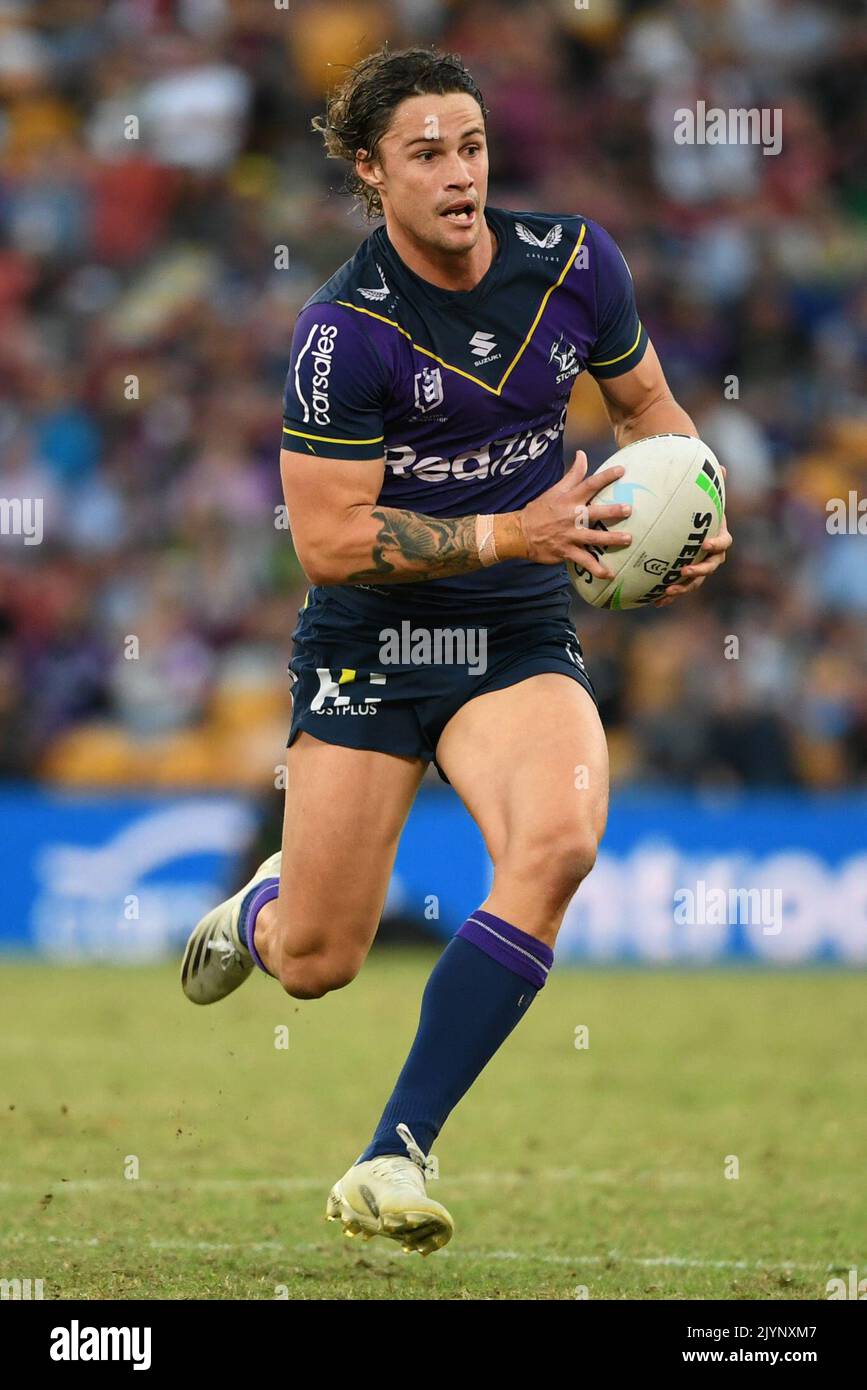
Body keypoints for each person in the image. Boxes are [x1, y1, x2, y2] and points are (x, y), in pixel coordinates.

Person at [180, 45, 731, 1257]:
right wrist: (507, 527)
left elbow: (649, 413)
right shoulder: (341, 331)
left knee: (562, 843)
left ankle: (394, 1151)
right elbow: (328, 542)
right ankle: (268, 905)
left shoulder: (577, 265)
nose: (459, 173)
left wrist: (697, 505)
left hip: (516, 630)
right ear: (372, 172)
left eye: (471, 146)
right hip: (369, 645)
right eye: (426, 154)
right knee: (320, 962)